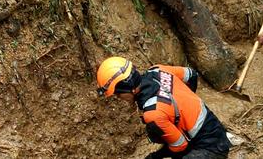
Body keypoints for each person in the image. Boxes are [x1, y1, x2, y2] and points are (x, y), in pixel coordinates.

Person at [96, 56, 232, 159]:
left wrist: (157, 156)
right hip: (213, 125)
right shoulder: (158, 70)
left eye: (118, 95)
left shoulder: (153, 113)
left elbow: (180, 146)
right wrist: (186, 101)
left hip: (211, 147)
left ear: (129, 88)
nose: (120, 99)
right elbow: (191, 74)